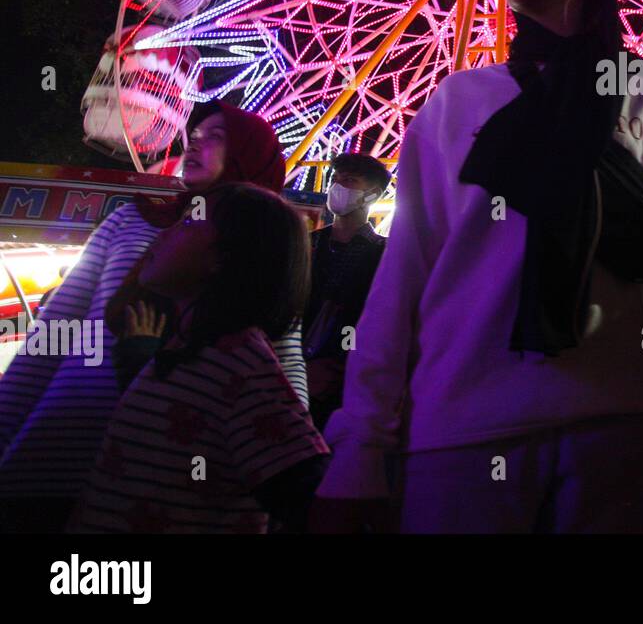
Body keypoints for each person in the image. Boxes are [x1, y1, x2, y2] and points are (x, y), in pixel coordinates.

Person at [311, 0, 643, 534]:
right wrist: (361, 443)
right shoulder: (456, 100)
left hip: (611, 416)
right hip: (464, 422)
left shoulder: (635, 90)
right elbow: (404, 279)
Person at [0, 99, 304, 533]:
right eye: (193, 137)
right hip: (63, 442)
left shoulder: (265, 250)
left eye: (216, 137)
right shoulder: (130, 222)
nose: (195, 145)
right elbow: (53, 334)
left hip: (169, 472)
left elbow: (282, 367)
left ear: (249, 153)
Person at [71, 184, 327, 533]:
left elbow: (305, 490)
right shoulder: (191, 347)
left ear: (224, 257)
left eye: (188, 223)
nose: (165, 231)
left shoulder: (239, 362)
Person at [302, 153, 390, 429]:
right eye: (335, 179)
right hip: (293, 369)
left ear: (372, 195)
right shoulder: (306, 244)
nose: (337, 187)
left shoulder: (385, 255)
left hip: (344, 379)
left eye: (349, 181)